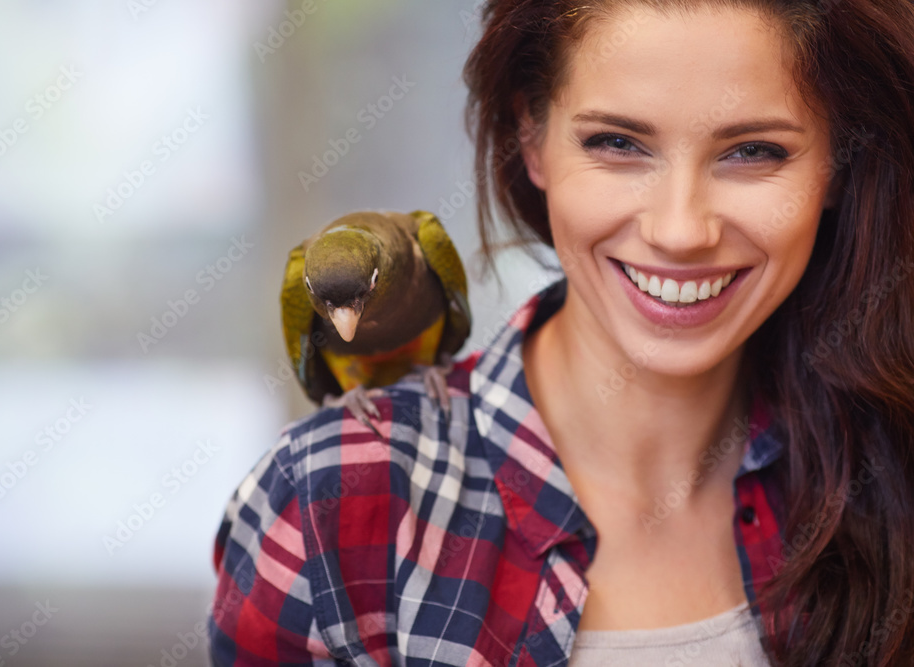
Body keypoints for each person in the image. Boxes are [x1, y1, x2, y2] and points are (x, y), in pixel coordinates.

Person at [207, 0, 914, 664]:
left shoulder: (890, 467)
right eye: (617, 142)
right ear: (531, 137)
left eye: (754, 151)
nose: (680, 229)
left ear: (839, 167)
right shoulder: (329, 498)